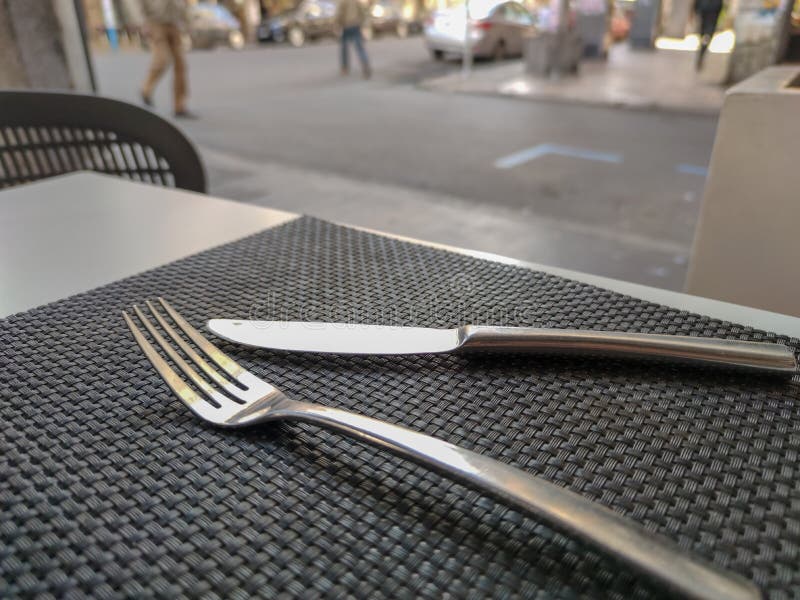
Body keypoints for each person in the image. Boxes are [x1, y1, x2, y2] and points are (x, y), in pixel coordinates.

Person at [140, 0, 196, 118]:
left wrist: (187, 22)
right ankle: (146, 89)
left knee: (181, 65)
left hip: (174, 23)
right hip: (155, 23)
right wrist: (143, 23)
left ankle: (179, 106)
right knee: (162, 59)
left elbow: (185, 4)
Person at [335, 0, 371, 79]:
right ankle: (365, 64)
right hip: (355, 26)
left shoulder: (343, 2)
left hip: (346, 26)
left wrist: (337, 24)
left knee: (344, 49)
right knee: (359, 47)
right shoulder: (356, 1)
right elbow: (363, 13)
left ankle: (345, 68)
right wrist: (362, 23)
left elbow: (339, 14)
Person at [694, 0, 722, 71]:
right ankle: (702, 51)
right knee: (706, 36)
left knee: (705, 36)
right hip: (708, 16)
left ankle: (702, 51)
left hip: (709, 15)